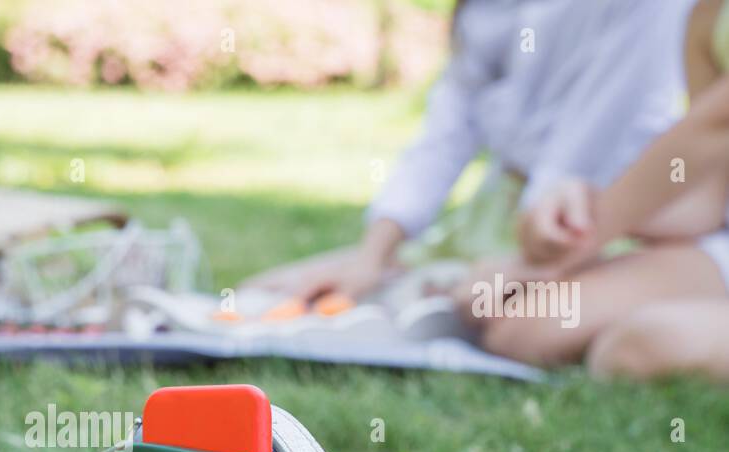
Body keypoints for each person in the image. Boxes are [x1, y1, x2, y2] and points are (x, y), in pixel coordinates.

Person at [243, 0, 696, 307]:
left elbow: (590, 137)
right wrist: (372, 256)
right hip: (500, 214)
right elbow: (447, 132)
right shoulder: (487, 11)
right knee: (267, 294)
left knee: (451, 306)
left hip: (593, 218)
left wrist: (530, 255)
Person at [487, 0, 729, 380]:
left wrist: (588, 239)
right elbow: (708, 197)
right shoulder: (707, 14)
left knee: (636, 347)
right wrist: (581, 209)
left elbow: (719, 122)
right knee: (525, 327)